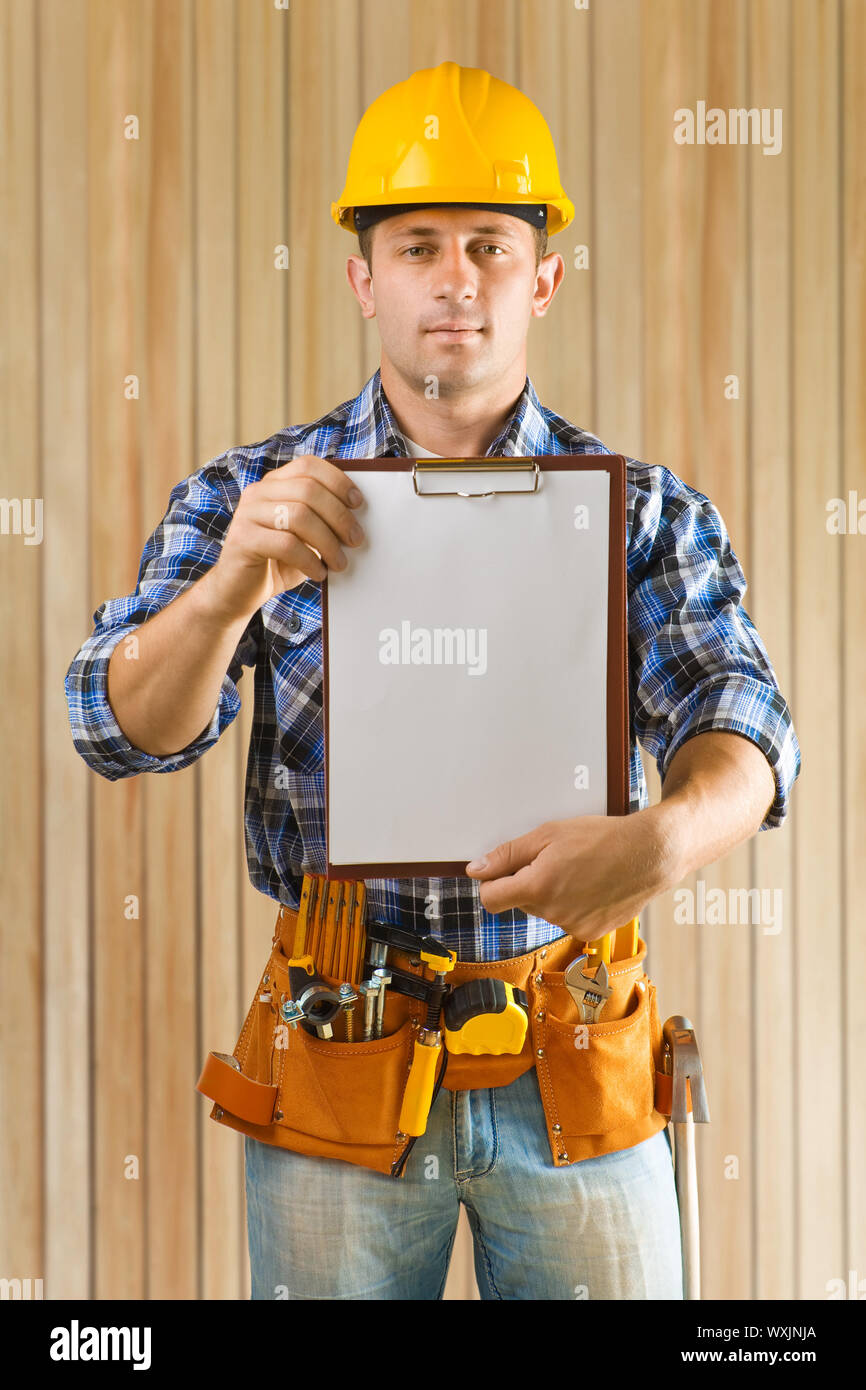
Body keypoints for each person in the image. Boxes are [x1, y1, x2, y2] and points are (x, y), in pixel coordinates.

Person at [65, 60, 801, 1300]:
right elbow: (116, 726)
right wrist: (230, 585)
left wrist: (665, 841)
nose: (454, 279)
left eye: (488, 246)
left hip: (571, 1049)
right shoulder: (253, 496)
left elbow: (746, 722)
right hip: (340, 1050)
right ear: (362, 280)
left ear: (542, 279)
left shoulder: (639, 513)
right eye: (415, 246)